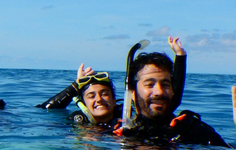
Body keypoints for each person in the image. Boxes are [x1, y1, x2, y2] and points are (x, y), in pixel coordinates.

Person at [119, 47, 236, 150]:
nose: (159, 92)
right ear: (132, 92)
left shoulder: (192, 132)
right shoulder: (119, 131)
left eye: (166, 84)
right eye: (149, 85)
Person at [38, 37, 187, 129]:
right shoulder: (78, 121)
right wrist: (75, 86)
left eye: (104, 94)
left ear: (115, 99)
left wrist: (180, 57)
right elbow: (46, 111)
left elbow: (169, 102)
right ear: (83, 103)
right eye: (91, 96)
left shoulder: (126, 119)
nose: (99, 99)